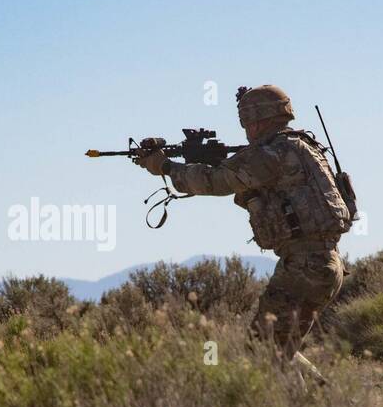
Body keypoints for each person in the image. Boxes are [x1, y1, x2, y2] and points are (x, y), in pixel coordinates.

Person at [135, 85, 352, 382]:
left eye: (247, 121)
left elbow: (216, 182)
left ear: (259, 119)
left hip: (305, 266)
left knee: (263, 349)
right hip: (327, 263)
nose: (246, 129)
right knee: (278, 345)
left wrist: (166, 167)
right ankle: (326, 401)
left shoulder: (270, 153)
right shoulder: (302, 146)